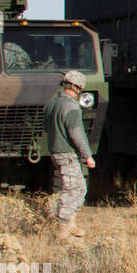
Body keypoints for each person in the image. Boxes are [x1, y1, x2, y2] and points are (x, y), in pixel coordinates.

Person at [44, 70, 95, 242]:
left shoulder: (51, 104)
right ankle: (62, 228)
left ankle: (71, 224)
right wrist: (88, 156)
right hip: (68, 154)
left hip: (55, 151)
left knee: (79, 188)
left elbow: (45, 128)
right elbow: (77, 134)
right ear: (78, 88)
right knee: (72, 190)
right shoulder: (72, 107)